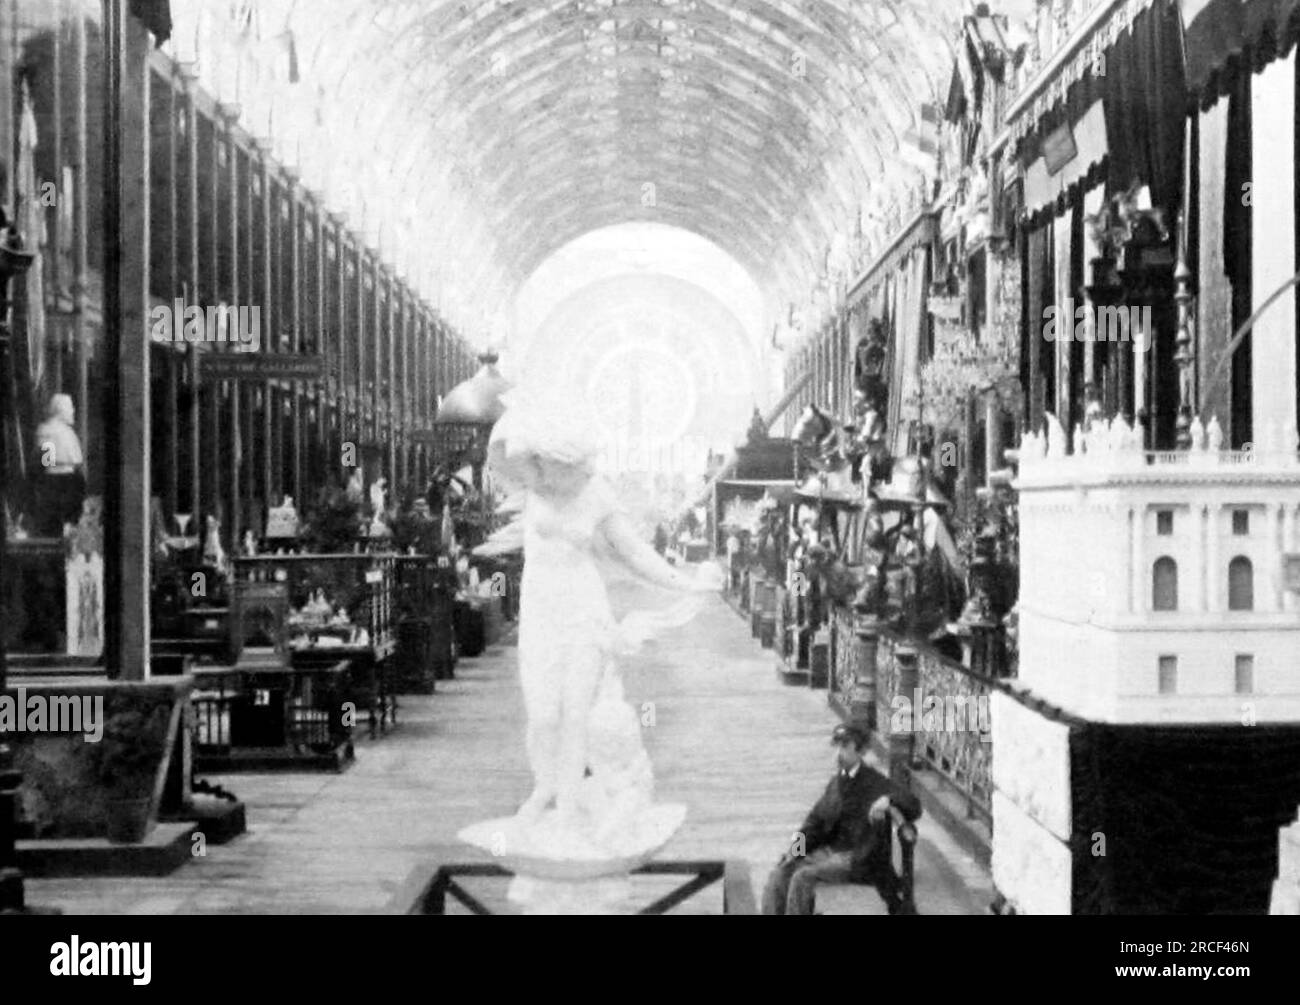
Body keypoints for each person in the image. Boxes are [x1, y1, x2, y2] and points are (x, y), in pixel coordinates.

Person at [485, 386, 720, 842]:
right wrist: (535, 412)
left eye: (559, 468)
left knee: (576, 714)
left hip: (583, 611)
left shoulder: (594, 493)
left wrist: (685, 582)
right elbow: (502, 444)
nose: (548, 476)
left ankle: (568, 805)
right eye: (545, 465)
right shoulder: (533, 480)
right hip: (540, 611)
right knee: (543, 716)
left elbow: (635, 553)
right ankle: (545, 786)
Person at [762, 721, 921, 916]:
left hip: (859, 857)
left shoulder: (875, 782)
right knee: (781, 873)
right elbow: (812, 823)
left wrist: (889, 800)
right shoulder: (836, 783)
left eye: (845, 747)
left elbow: (913, 804)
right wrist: (794, 851)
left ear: (861, 751)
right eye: (837, 746)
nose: (838, 753)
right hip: (830, 852)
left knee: (802, 877)